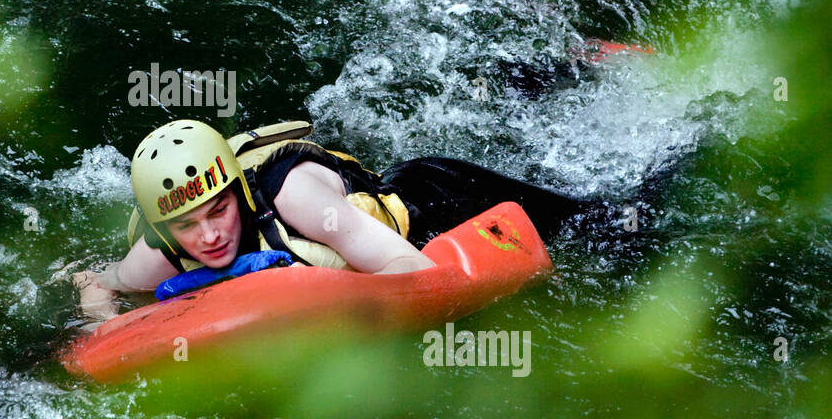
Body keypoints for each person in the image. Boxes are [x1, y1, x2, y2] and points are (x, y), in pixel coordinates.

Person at [74, 119, 605, 326]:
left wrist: (333, 306)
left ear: (238, 192)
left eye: (218, 210)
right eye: (188, 226)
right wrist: (104, 317)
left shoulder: (295, 196)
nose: (209, 236)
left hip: (436, 199)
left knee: (605, 226)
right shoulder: (157, 249)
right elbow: (92, 279)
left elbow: (412, 267)